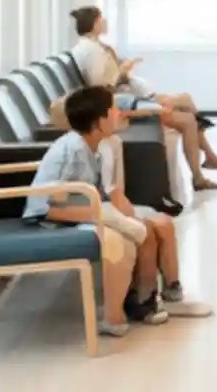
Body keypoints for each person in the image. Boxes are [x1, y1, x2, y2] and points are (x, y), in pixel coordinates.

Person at [22, 86, 169, 336]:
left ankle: (134, 303)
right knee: (116, 237)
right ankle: (113, 317)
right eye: (114, 109)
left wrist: (112, 212)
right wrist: (101, 216)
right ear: (99, 121)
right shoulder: (74, 149)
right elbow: (49, 208)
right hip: (52, 216)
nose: (120, 113)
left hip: (79, 210)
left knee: (126, 231)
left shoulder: (96, 145)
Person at [69, 6, 217, 190]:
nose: (105, 22)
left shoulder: (92, 48)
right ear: (95, 23)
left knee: (186, 102)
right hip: (120, 102)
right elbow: (100, 89)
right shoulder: (91, 51)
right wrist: (121, 72)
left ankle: (207, 157)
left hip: (124, 95)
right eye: (102, 19)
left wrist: (122, 73)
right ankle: (201, 171)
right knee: (187, 118)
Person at [98, 135, 213, 319]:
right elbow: (103, 193)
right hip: (101, 208)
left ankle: (171, 290)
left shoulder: (114, 142)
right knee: (149, 228)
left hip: (114, 205)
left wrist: (130, 211)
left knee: (165, 223)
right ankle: (145, 297)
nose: (120, 113)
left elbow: (117, 189)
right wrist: (131, 216)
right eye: (113, 110)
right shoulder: (88, 147)